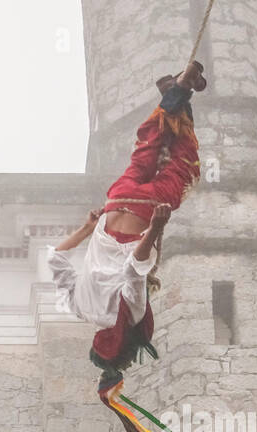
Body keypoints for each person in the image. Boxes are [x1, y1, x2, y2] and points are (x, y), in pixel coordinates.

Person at [47, 60, 206, 390]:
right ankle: (174, 91)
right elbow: (55, 259)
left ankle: (181, 91)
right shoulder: (81, 308)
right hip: (113, 204)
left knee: (183, 165)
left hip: (144, 214)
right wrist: (87, 229)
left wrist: (157, 228)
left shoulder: (130, 317)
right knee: (148, 146)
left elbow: (135, 270)